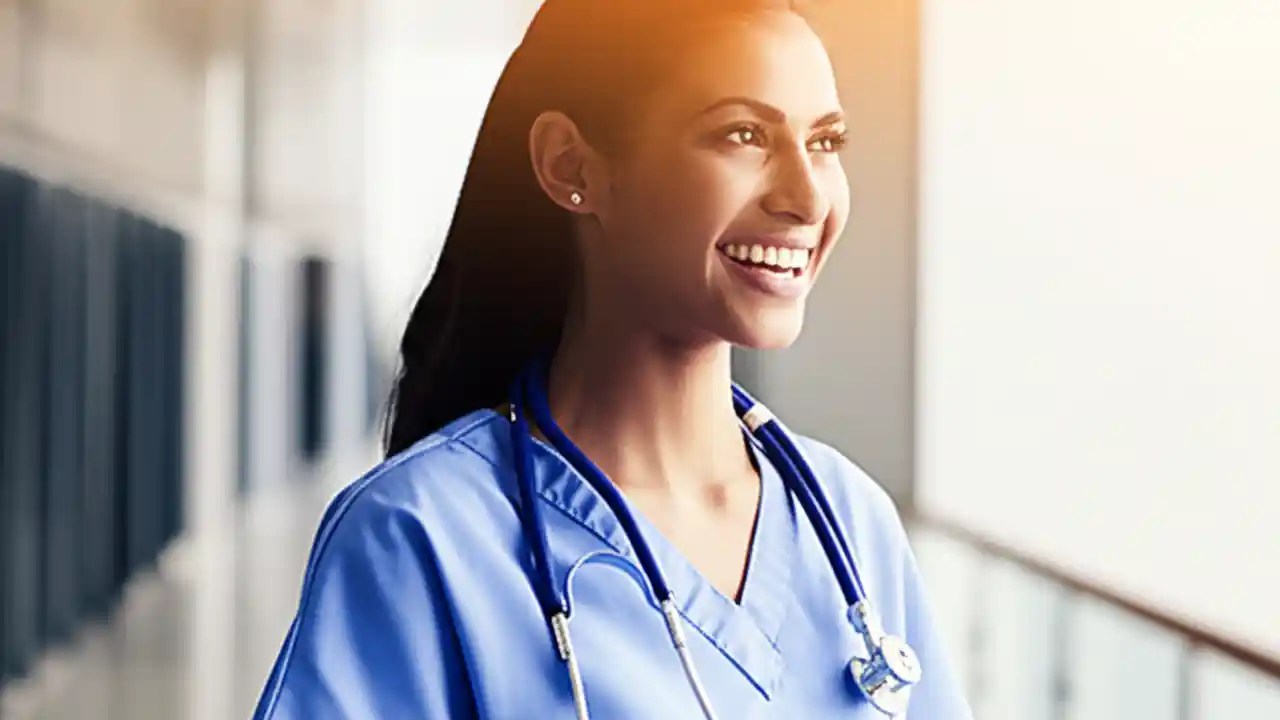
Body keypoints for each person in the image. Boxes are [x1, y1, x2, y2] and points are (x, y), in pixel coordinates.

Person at [252, 0, 973, 717]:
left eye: (825, 141)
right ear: (573, 166)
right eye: (744, 134)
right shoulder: (423, 534)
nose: (806, 197)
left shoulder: (849, 522)